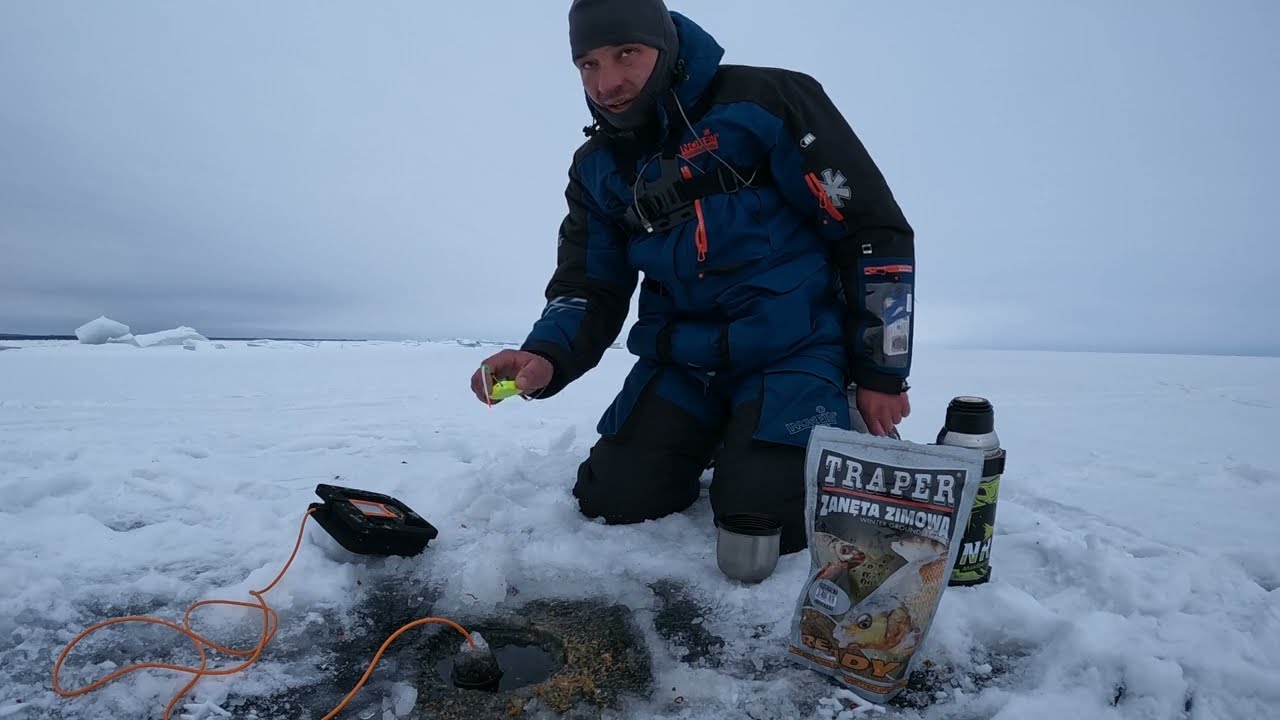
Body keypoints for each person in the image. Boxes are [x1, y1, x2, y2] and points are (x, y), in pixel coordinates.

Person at [470, 0, 914, 555]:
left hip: (791, 349)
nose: (607, 83)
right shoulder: (597, 167)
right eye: (588, 64)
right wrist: (546, 355)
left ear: (665, 43)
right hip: (683, 361)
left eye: (625, 54)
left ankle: (830, 416)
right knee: (613, 500)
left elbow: (873, 233)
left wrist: (882, 370)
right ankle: (725, 433)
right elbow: (589, 283)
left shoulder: (768, 103)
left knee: (763, 520)